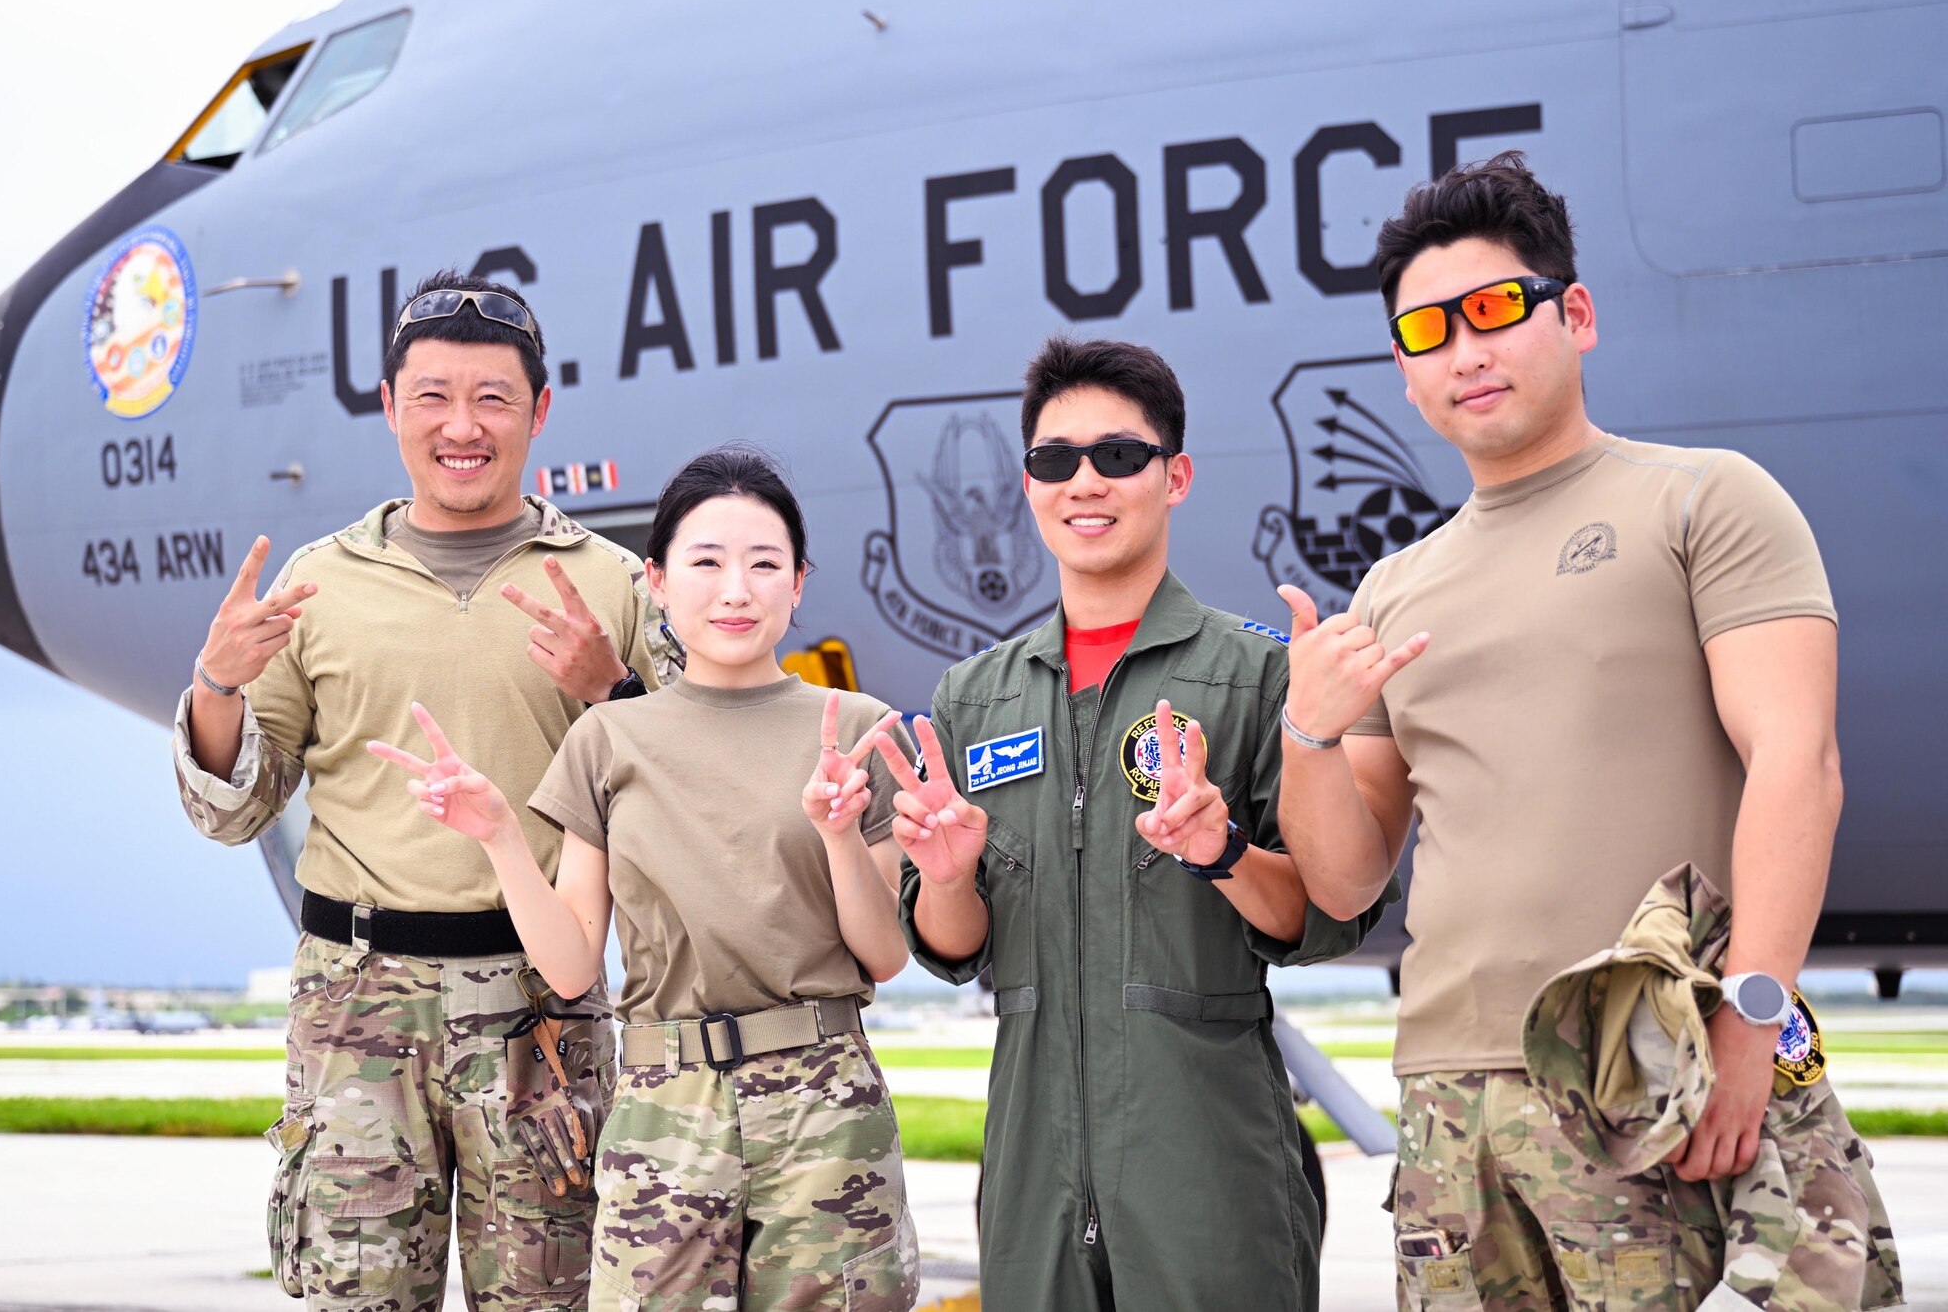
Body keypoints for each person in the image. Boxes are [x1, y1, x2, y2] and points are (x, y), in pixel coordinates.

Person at [1275, 152, 1900, 1309]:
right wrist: (1306, 736)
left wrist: (1750, 1024)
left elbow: (1796, 764)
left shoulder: (1701, 500)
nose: (1464, 351)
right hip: (1450, 1099)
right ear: (1402, 373)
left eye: (1494, 309)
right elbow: (1348, 876)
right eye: (1426, 331)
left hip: (1658, 1056)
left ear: (1575, 315)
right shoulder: (1389, 592)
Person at [173, 270, 664, 1310]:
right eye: (433, 396)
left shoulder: (611, 585)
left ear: (540, 410)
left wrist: (611, 691)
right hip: (358, 1007)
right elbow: (234, 807)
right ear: (390, 406)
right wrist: (216, 685)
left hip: (542, 1010)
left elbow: (688, 800)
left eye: (493, 398)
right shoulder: (319, 584)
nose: (463, 426)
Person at [889, 337, 1395, 1312]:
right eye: (1054, 459)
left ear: (1176, 477)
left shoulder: (1258, 679)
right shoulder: (975, 699)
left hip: (1207, 1175)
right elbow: (952, 950)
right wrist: (947, 875)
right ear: (1028, 484)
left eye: (1118, 455)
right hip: (1031, 1178)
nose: (1085, 482)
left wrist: (1221, 850)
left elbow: (1323, 915)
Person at [371, 446, 924, 1312]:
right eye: (706, 563)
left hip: (823, 1100)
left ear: (798, 584)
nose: (735, 590)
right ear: (657, 583)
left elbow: (884, 953)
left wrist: (839, 834)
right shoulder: (607, 740)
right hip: (666, 1109)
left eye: (764, 564)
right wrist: (501, 837)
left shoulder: (855, 729)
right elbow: (569, 964)